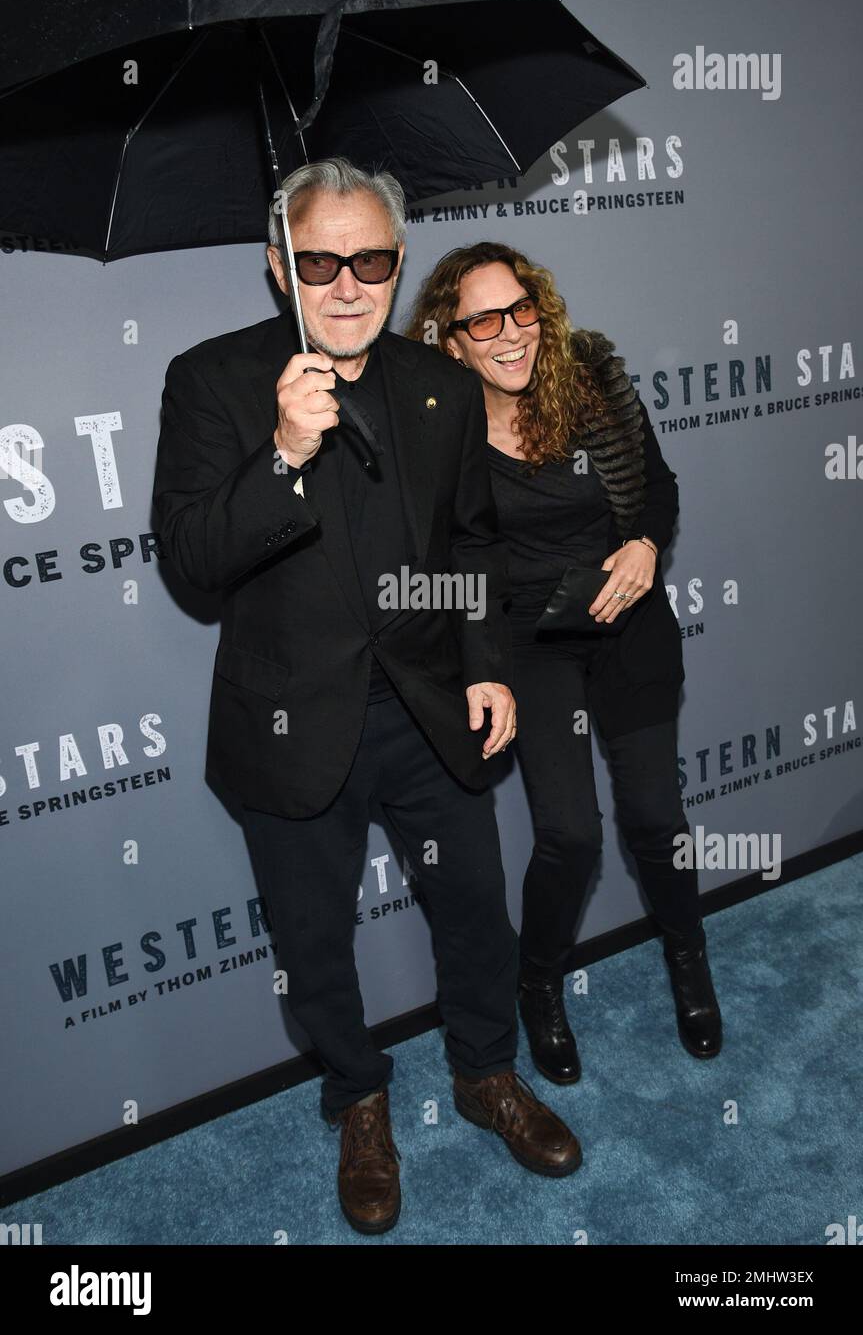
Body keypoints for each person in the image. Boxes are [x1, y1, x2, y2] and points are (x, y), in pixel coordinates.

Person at [152, 166, 581, 1237]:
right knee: (313, 943)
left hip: (429, 710)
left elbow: (470, 540)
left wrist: (484, 660)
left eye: (372, 259)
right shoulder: (210, 382)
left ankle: (486, 1073)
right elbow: (194, 562)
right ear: (275, 267)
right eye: (318, 261)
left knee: (476, 910)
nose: (347, 284)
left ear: (396, 263)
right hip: (291, 724)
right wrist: (284, 450)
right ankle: (358, 1099)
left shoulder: (437, 386)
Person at [405, 240, 722, 1087]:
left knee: (657, 818)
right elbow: (442, 564)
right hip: (527, 645)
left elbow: (657, 484)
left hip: (624, 621)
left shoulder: (588, 379)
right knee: (571, 835)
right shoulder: (435, 427)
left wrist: (646, 544)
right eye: (483, 320)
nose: (510, 333)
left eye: (521, 310)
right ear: (450, 337)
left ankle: (688, 960)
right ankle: (537, 983)